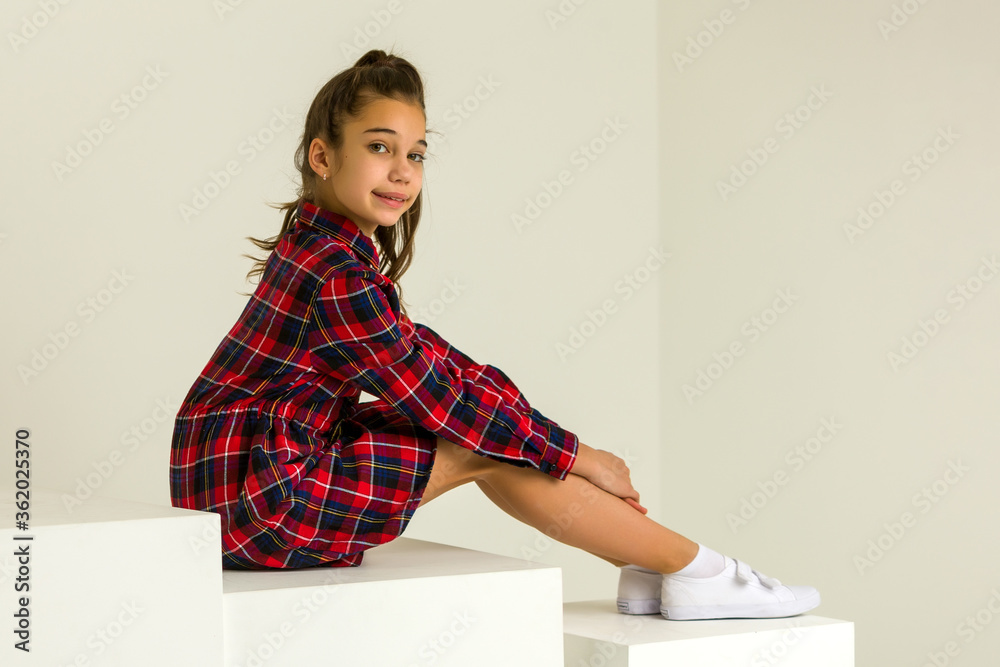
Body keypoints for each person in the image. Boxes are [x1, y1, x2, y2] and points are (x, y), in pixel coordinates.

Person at [169, 49, 820, 621]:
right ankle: (699, 569)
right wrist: (577, 454)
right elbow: (441, 403)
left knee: (488, 408)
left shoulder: (322, 252)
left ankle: (653, 568)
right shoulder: (338, 276)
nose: (402, 171)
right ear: (322, 154)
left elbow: (437, 366)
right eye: (379, 146)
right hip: (262, 501)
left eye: (416, 154)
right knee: (486, 439)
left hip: (233, 490)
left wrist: (533, 423)